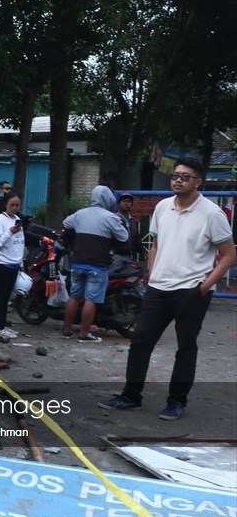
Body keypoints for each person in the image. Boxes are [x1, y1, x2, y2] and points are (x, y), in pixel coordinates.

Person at [99, 158, 235, 420]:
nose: (178, 180)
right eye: (175, 175)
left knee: (185, 347)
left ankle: (176, 401)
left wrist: (205, 286)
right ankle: (130, 396)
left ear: (198, 182)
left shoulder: (211, 214)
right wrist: (152, 274)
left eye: (185, 176)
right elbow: (156, 244)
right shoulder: (162, 207)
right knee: (140, 342)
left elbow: (229, 255)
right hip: (158, 288)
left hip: (191, 290)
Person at [60, 185, 130, 343]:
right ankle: (84, 335)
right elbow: (124, 237)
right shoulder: (110, 217)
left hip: (77, 263)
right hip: (97, 265)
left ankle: (66, 330)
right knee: (91, 300)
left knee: (74, 297)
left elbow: (65, 224)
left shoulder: (80, 214)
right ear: (107, 200)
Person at [0, 193, 25, 342]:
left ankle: (4, 325)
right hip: (2, 264)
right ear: (6, 204)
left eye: (18, 205)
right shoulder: (0, 220)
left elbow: (20, 242)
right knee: (0, 296)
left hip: (14, 264)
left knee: (7, 297)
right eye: (12, 205)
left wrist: (21, 262)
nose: (15, 208)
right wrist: (10, 232)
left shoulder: (17, 219)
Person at [109, 193, 142, 272]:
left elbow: (136, 237)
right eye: (124, 201)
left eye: (129, 201)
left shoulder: (132, 220)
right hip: (115, 256)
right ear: (119, 204)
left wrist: (142, 252)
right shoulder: (113, 218)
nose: (126, 203)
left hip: (129, 257)